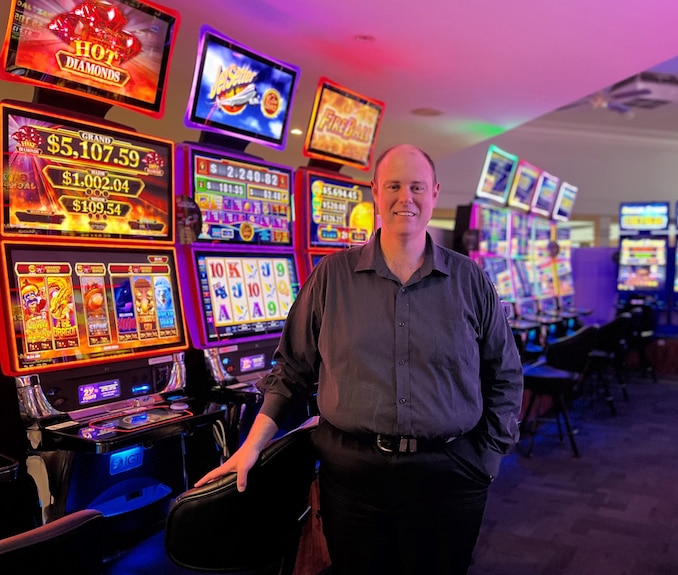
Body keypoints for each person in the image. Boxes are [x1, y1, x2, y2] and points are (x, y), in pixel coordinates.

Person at [195, 144, 524, 575]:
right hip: (353, 480)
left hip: (450, 475)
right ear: (375, 192)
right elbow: (292, 371)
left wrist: (487, 459)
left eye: (416, 187)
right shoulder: (331, 276)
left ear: (435, 193)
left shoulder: (470, 279)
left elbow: (505, 373)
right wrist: (251, 445)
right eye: (393, 185)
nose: (405, 198)